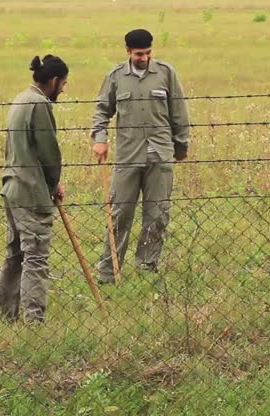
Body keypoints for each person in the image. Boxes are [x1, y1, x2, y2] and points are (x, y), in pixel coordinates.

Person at [91, 28, 190, 283]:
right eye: (138, 54)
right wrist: (100, 140)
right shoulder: (115, 77)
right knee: (120, 214)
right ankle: (108, 272)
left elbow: (179, 112)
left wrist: (181, 147)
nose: (143, 58)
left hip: (160, 156)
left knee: (157, 215)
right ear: (128, 52)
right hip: (128, 157)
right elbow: (102, 111)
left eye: (147, 53)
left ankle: (146, 268)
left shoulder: (166, 74)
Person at [0, 54, 69, 322]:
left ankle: (7, 316)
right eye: (62, 84)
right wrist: (52, 184)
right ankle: (33, 321)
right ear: (52, 81)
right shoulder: (39, 104)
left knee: (15, 255)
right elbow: (49, 151)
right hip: (30, 191)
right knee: (36, 257)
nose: (62, 89)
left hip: (12, 185)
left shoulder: (20, 99)